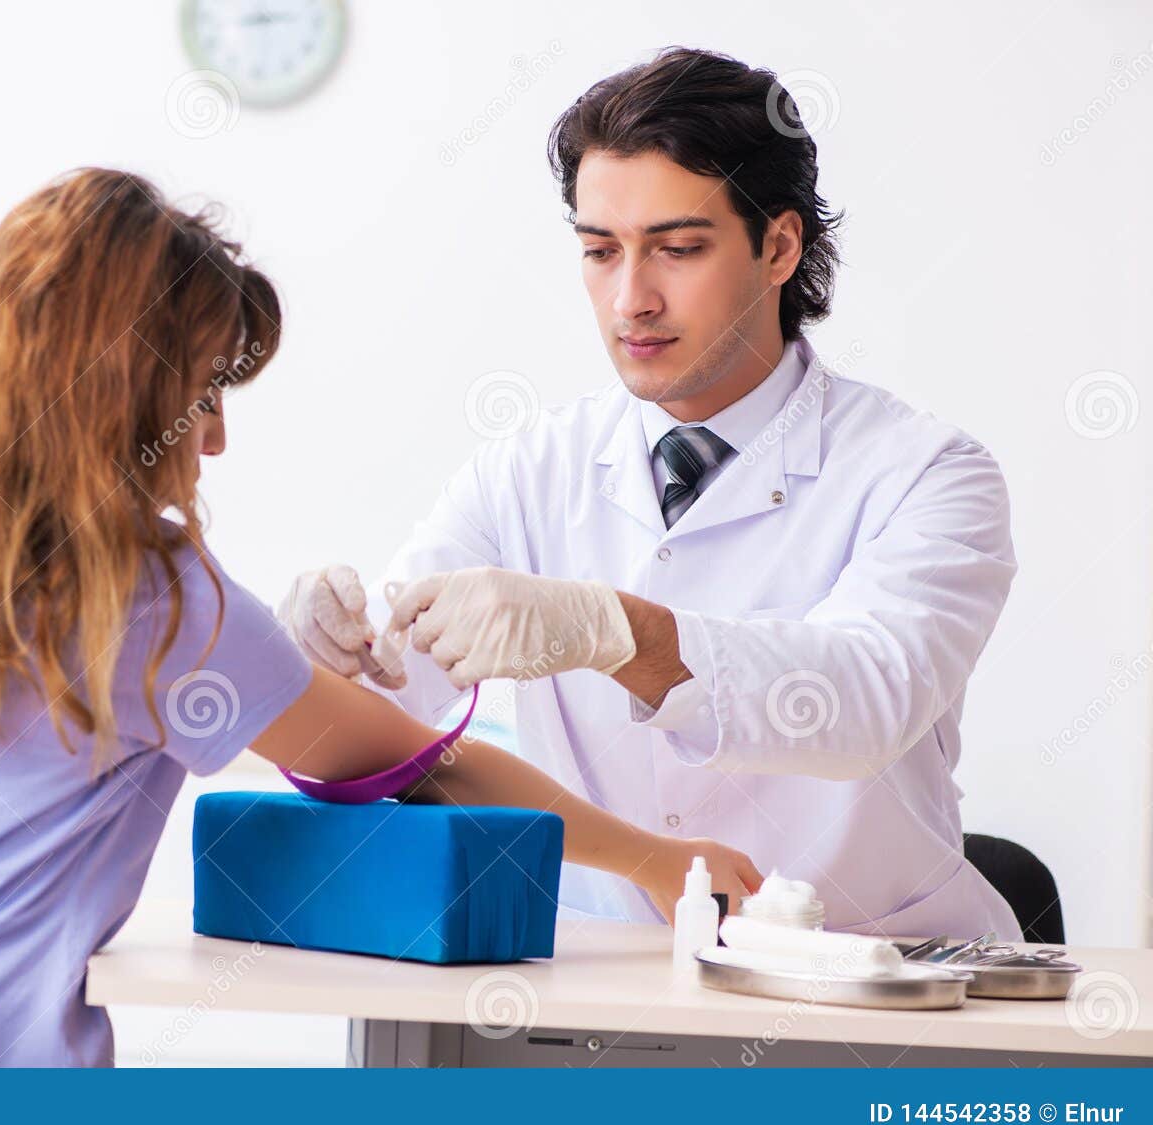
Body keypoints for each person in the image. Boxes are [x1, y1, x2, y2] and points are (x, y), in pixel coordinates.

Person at [0, 168, 761, 1068]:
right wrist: (657, 860)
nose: (216, 437)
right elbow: (428, 767)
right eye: (200, 393)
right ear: (116, 400)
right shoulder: (143, 597)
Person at [280, 48, 1023, 940]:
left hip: (870, 972)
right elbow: (386, 713)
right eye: (601, 252)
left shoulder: (928, 471)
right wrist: (320, 662)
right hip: (606, 977)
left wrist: (619, 631)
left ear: (779, 247)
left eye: (678, 249)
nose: (631, 299)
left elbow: (864, 700)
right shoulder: (525, 472)